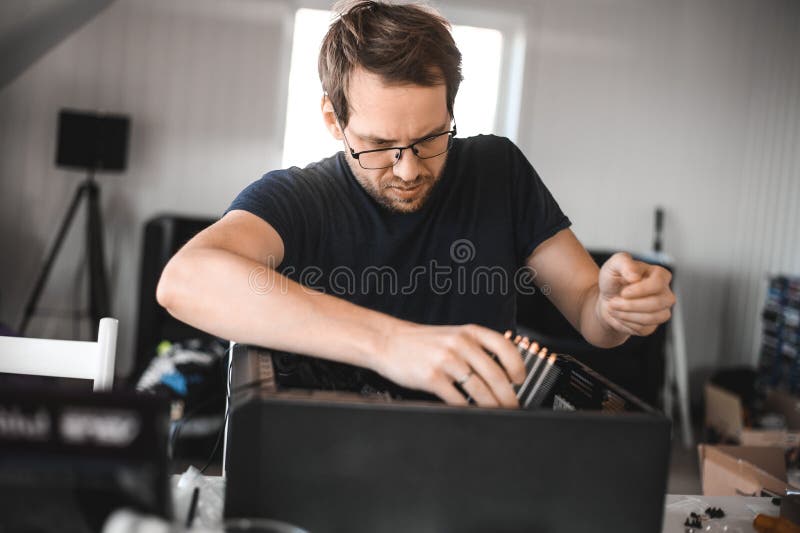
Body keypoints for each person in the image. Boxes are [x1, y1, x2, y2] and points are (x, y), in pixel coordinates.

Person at [156, 0, 675, 409]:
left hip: (479, 460)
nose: (409, 169)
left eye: (431, 137)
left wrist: (614, 308)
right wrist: (391, 344)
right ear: (334, 121)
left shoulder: (498, 170)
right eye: (381, 144)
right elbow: (185, 281)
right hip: (330, 466)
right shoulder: (297, 198)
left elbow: (589, 312)